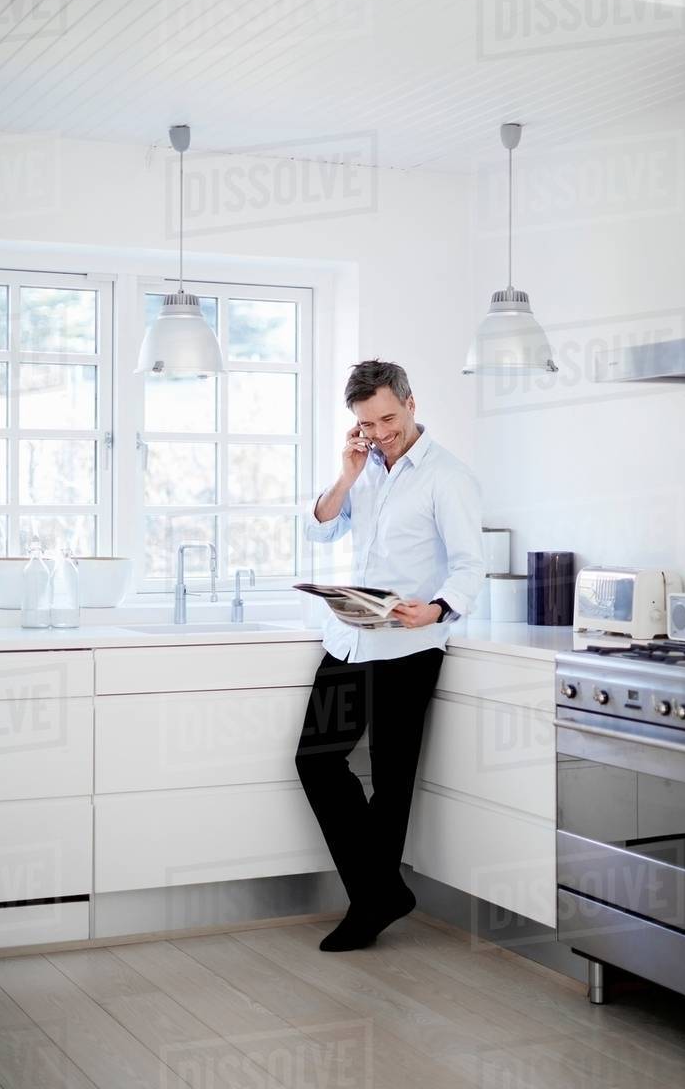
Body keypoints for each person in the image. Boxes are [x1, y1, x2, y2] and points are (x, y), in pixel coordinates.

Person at [295, 359, 484, 951]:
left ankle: (370, 902)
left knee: (391, 780)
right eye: (367, 424)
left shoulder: (448, 477)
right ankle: (382, 892)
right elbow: (320, 529)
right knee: (316, 761)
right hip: (350, 641)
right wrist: (347, 474)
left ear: (411, 403)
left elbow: (469, 566)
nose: (379, 433)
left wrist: (437, 610)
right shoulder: (365, 468)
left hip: (409, 647)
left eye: (387, 419)